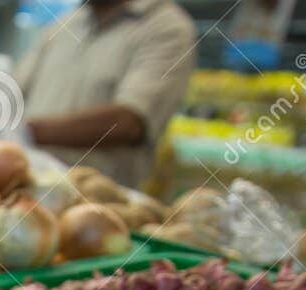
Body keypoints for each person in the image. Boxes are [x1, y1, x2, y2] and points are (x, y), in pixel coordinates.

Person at [16, 0, 197, 188]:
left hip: (96, 200)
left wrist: (26, 132)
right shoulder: (67, 22)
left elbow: (129, 122)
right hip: (28, 186)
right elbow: (16, 91)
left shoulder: (166, 28)